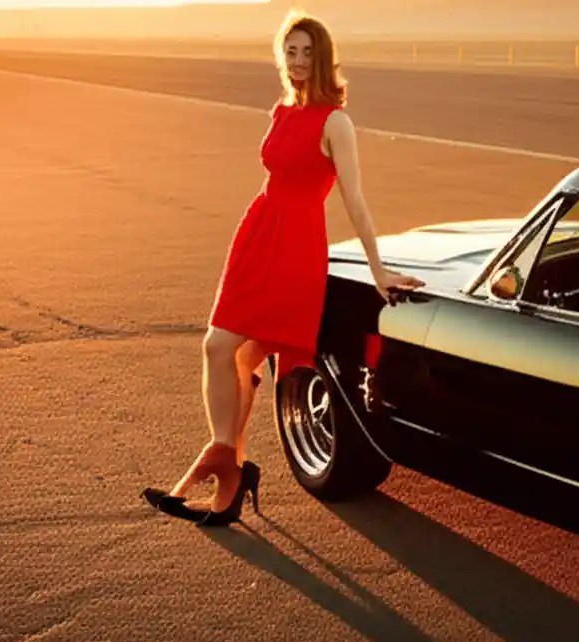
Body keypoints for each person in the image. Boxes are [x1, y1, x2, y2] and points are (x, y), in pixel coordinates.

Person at [142, 10, 424, 526]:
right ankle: (232, 473)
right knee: (235, 355)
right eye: (289, 51)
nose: (296, 62)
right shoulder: (281, 111)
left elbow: (355, 199)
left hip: (295, 242)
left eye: (306, 52)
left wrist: (378, 269)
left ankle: (222, 459)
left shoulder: (335, 122)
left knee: (225, 348)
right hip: (258, 234)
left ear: (323, 58)